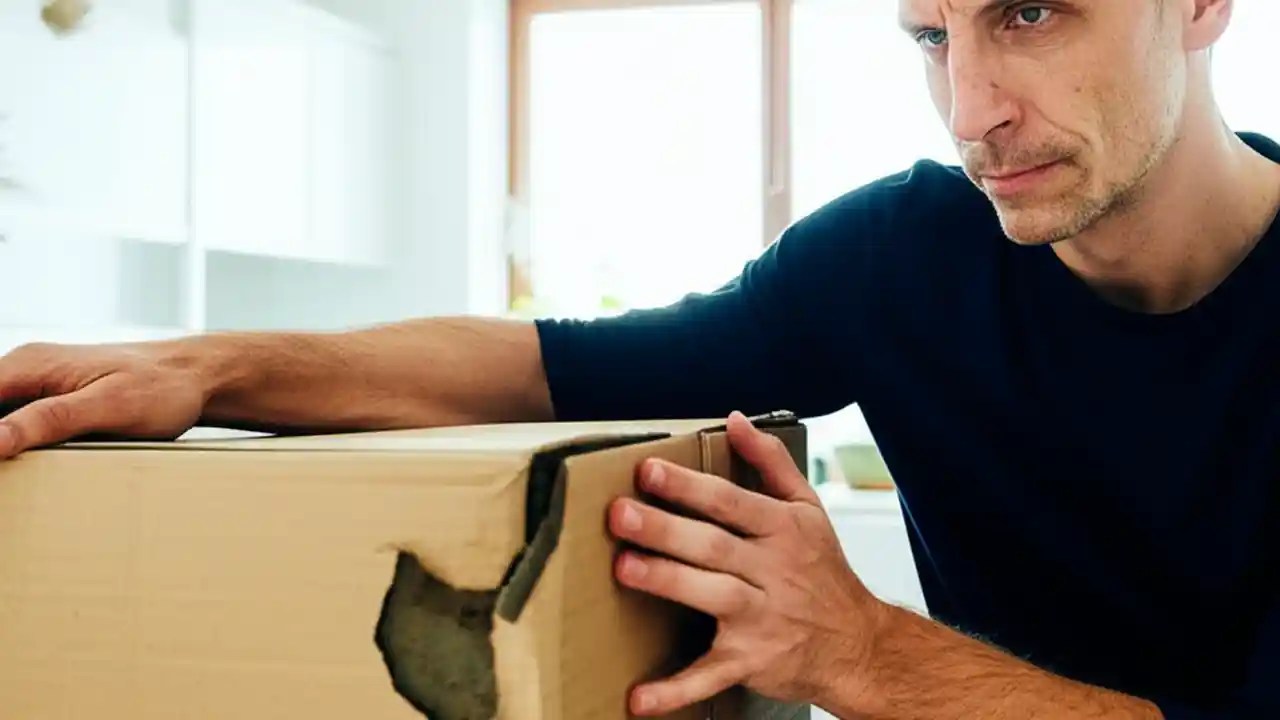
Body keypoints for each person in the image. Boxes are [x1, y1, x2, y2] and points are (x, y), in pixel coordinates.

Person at [0, 0, 1275, 716]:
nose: (969, 113)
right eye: (931, 37)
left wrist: (860, 648)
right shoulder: (899, 254)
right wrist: (215, 367)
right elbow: (555, 367)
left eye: (1029, 13)